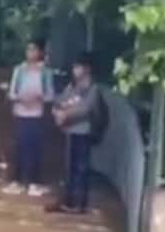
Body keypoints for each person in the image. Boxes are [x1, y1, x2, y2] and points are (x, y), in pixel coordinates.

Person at [46, 53, 100, 215]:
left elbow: (86, 109)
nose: (75, 70)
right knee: (69, 167)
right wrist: (56, 111)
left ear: (87, 69)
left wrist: (66, 114)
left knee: (81, 168)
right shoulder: (72, 87)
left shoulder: (93, 89)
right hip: (70, 131)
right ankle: (67, 200)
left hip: (83, 132)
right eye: (74, 67)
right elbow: (59, 100)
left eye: (78, 67)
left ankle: (79, 203)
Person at [3, 39, 56, 197]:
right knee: (19, 146)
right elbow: (12, 92)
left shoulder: (46, 72)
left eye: (34, 50)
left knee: (35, 148)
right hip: (21, 112)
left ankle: (34, 182)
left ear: (40, 52)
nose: (30, 53)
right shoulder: (19, 70)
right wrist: (20, 98)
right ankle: (17, 181)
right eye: (28, 50)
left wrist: (39, 97)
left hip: (36, 113)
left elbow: (50, 95)